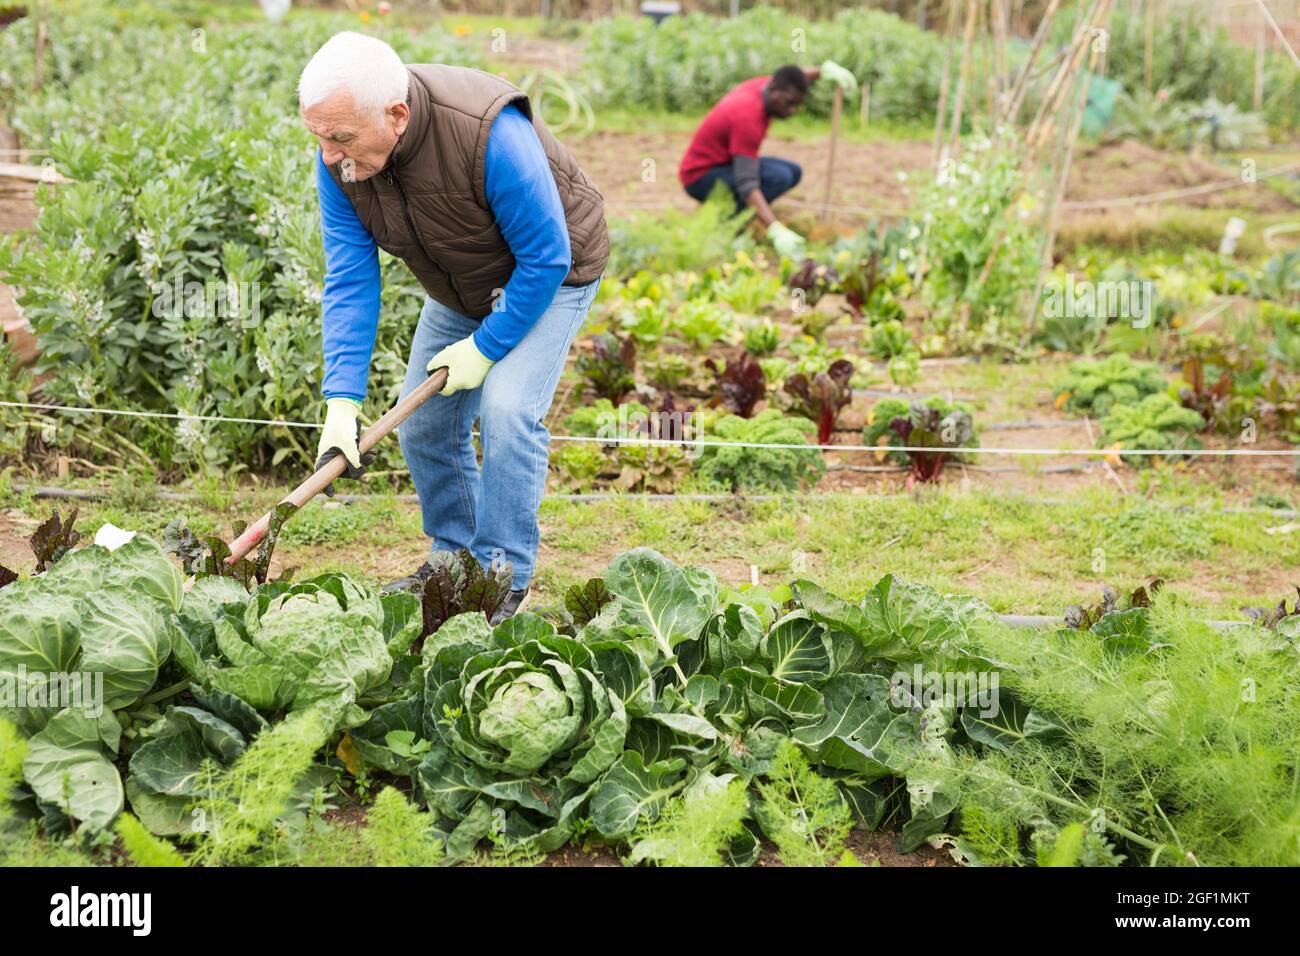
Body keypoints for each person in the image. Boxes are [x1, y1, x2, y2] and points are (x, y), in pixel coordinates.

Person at [298, 32, 608, 623]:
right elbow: (349, 279)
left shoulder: (487, 132)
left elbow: (547, 255)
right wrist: (341, 401)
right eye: (318, 136)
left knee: (509, 412)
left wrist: (487, 348)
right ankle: (454, 560)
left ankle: (500, 578)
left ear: (397, 115)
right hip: (462, 284)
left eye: (341, 137)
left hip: (549, 274)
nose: (331, 154)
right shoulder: (339, 163)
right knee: (424, 426)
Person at [678, 62, 858, 260]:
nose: (792, 111)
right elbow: (747, 183)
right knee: (777, 177)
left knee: (792, 172)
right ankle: (732, 219)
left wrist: (821, 71)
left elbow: (794, 76)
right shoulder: (748, 116)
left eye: (797, 104)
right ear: (774, 91)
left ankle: (742, 212)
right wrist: (775, 228)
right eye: (789, 103)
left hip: (723, 162)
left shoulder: (768, 86)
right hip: (699, 176)